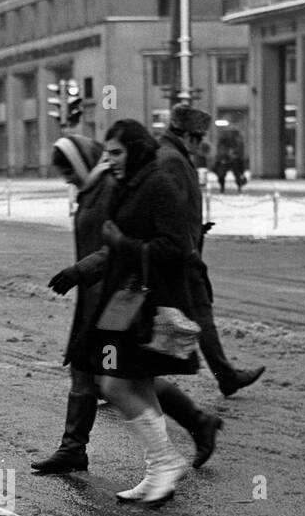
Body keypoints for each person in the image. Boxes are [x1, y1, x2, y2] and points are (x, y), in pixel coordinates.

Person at [37, 134, 221, 474]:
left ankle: (191, 428)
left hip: (117, 296)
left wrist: (80, 271)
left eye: (69, 170)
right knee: (93, 371)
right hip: (96, 294)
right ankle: (73, 448)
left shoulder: (110, 189)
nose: (66, 178)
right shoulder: (91, 190)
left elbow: (120, 246)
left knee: (127, 377)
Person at [156, 104, 265, 398]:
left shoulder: (169, 154)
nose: (200, 145)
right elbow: (168, 207)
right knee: (197, 314)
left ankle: (225, 376)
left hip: (180, 249)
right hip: (181, 255)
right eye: (200, 138)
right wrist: (186, 241)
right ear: (189, 136)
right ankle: (225, 376)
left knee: (189, 314)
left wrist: (196, 229)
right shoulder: (172, 159)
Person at [212, 125, 247, 193]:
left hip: (234, 159)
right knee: (222, 173)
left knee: (237, 173)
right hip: (226, 159)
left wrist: (234, 155)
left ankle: (239, 186)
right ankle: (223, 187)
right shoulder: (224, 140)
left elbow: (239, 150)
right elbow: (220, 149)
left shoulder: (237, 139)